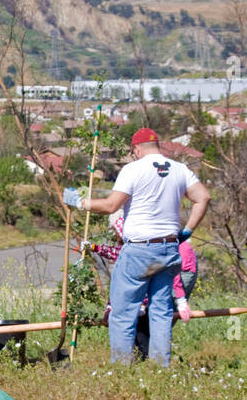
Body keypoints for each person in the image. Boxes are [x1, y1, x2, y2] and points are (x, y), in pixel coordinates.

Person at [83, 129, 209, 366]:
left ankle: (121, 368)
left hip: (139, 250)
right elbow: (203, 197)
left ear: (136, 149)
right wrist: (187, 230)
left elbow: (111, 206)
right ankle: (161, 366)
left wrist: (83, 203)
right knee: (160, 311)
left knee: (123, 312)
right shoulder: (180, 169)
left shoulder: (133, 169)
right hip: (169, 249)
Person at [92, 212, 198, 360]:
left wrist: (181, 300)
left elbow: (174, 275)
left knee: (153, 316)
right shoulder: (138, 237)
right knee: (148, 316)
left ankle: (150, 358)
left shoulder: (141, 239)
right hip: (172, 265)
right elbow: (118, 254)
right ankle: (150, 357)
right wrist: (95, 247)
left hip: (180, 268)